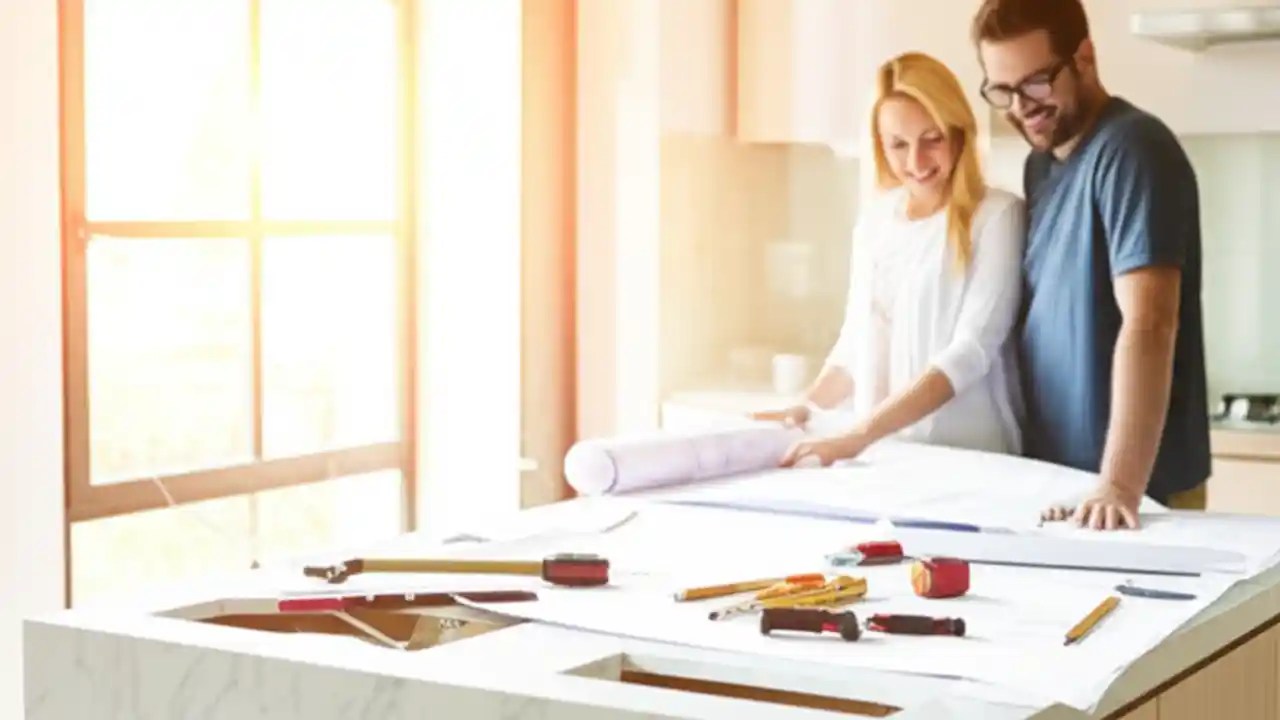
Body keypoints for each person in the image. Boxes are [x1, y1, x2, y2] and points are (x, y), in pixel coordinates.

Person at [971, 0, 1210, 530]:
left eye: (1035, 82)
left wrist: (1120, 484)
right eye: (1002, 90)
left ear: (1084, 57)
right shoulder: (1042, 166)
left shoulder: (1134, 149)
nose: (1020, 106)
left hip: (1138, 496)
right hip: (1068, 485)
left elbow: (1150, 322)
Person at [756, 52, 1026, 468]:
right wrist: (806, 408)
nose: (916, 163)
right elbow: (854, 346)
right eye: (899, 145)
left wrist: (858, 435)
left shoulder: (997, 216)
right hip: (889, 457)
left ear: (958, 134)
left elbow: (970, 352)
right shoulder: (876, 221)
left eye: (931, 139)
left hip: (974, 460)